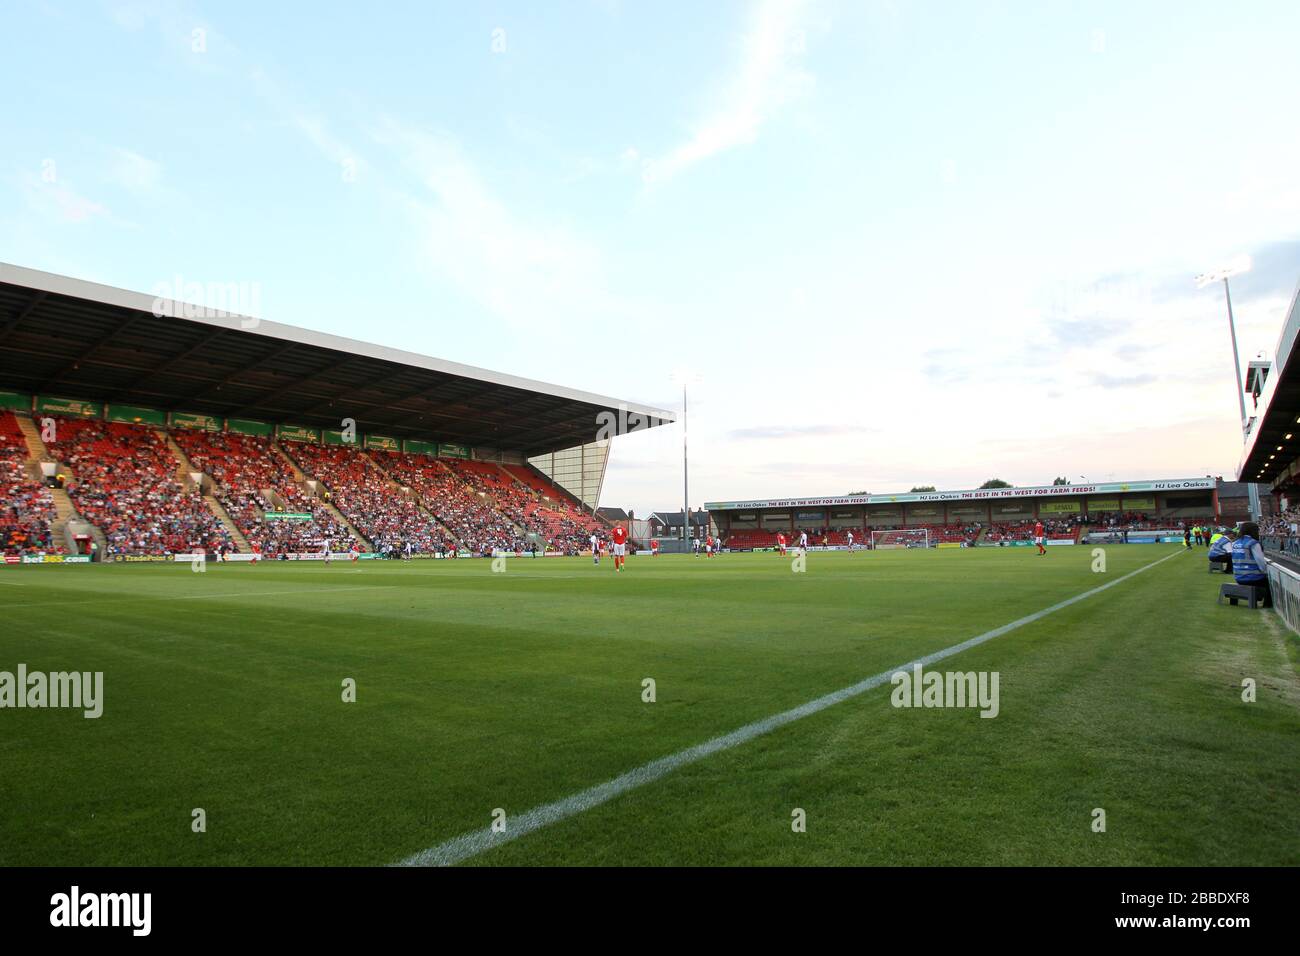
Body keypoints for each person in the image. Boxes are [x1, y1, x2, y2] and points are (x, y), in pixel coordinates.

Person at [1229, 522, 1270, 606]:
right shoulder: (1253, 543)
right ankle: (1267, 605)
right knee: (1269, 584)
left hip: (1238, 577)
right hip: (1253, 577)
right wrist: (1265, 572)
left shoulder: (1235, 543)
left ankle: (1256, 596)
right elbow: (1260, 561)